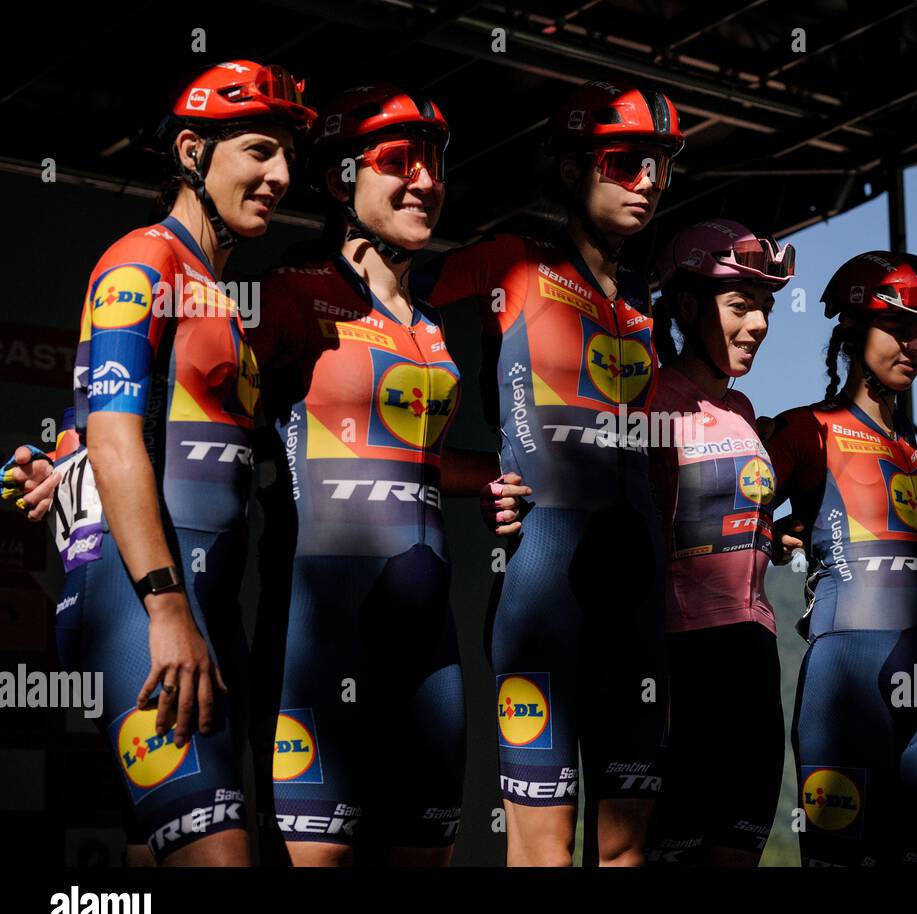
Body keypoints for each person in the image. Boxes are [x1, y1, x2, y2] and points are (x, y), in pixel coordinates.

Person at [2, 61, 315, 865]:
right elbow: (115, 438)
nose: (280, 176)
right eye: (257, 151)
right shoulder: (144, 259)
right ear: (190, 151)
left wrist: (62, 463)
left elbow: (106, 427)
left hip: (200, 604)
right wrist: (165, 608)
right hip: (147, 602)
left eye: (286, 156)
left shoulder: (219, 290)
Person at [424, 81, 683, 866]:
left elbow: (656, 454)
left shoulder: (644, 301)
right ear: (572, 170)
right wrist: (474, 473)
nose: (646, 182)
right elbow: (382, 332)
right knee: (540, 852)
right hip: (543, 586)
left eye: (660, 169)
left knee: (625, 855)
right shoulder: (510, 261)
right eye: (626, 162)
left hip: (636, 595)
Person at [247, 84, 496, 866]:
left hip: (429, 648)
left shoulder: (429, 324)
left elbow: (409, 457)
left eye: (434, 163)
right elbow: (183, 385)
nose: (425, 179)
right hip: (321, 637)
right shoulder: (292, 294)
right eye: (398, 161)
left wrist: (495, 479)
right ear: (339, 181)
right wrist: (77, 445)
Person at [764, 251, 917, 866]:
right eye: (898, 327)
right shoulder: (807, 428)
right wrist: (772, 536)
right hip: (844, 680)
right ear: (853, 329)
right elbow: (721, 518)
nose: (914, 344)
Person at [639, 219, 796, 865]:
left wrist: (770, 533)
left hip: (753, 653)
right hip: (684, 656)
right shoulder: (650, 400)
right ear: (686, 305)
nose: (758, 324)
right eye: (741, 306)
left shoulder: (744, 410)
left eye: (765, 307)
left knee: (738, 847)